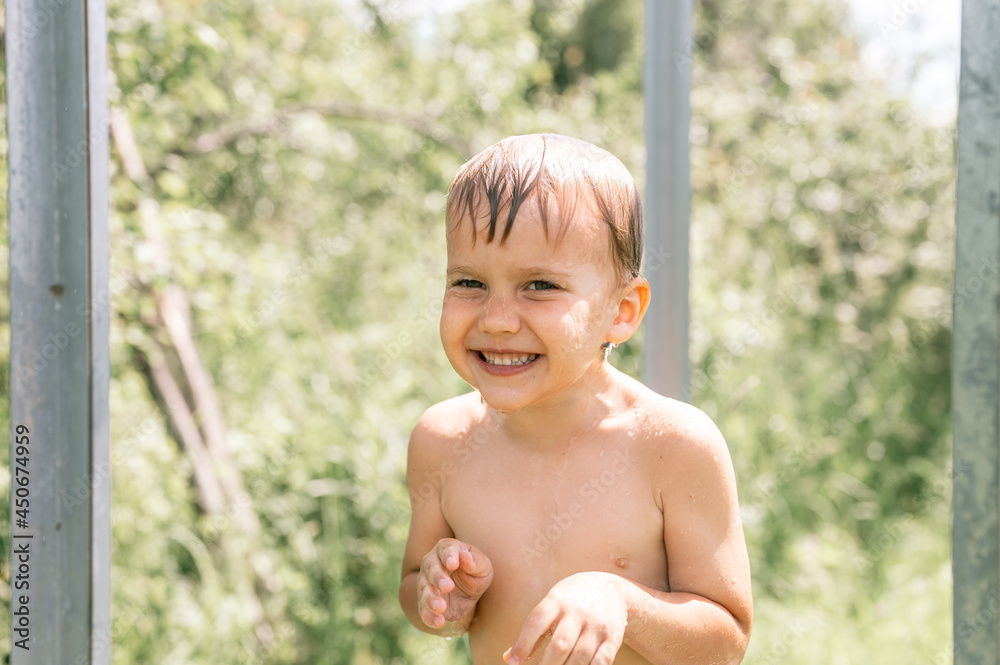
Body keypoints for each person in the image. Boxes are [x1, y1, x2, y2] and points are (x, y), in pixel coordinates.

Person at [398, 133, 752, 665]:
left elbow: (726, 639)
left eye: (539, 285)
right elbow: (412, 588)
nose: (495, 319)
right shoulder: (443, 442)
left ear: (622, 310)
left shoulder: (672, 447)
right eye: (469, 282)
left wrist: (623, 601)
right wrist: (443, 595)